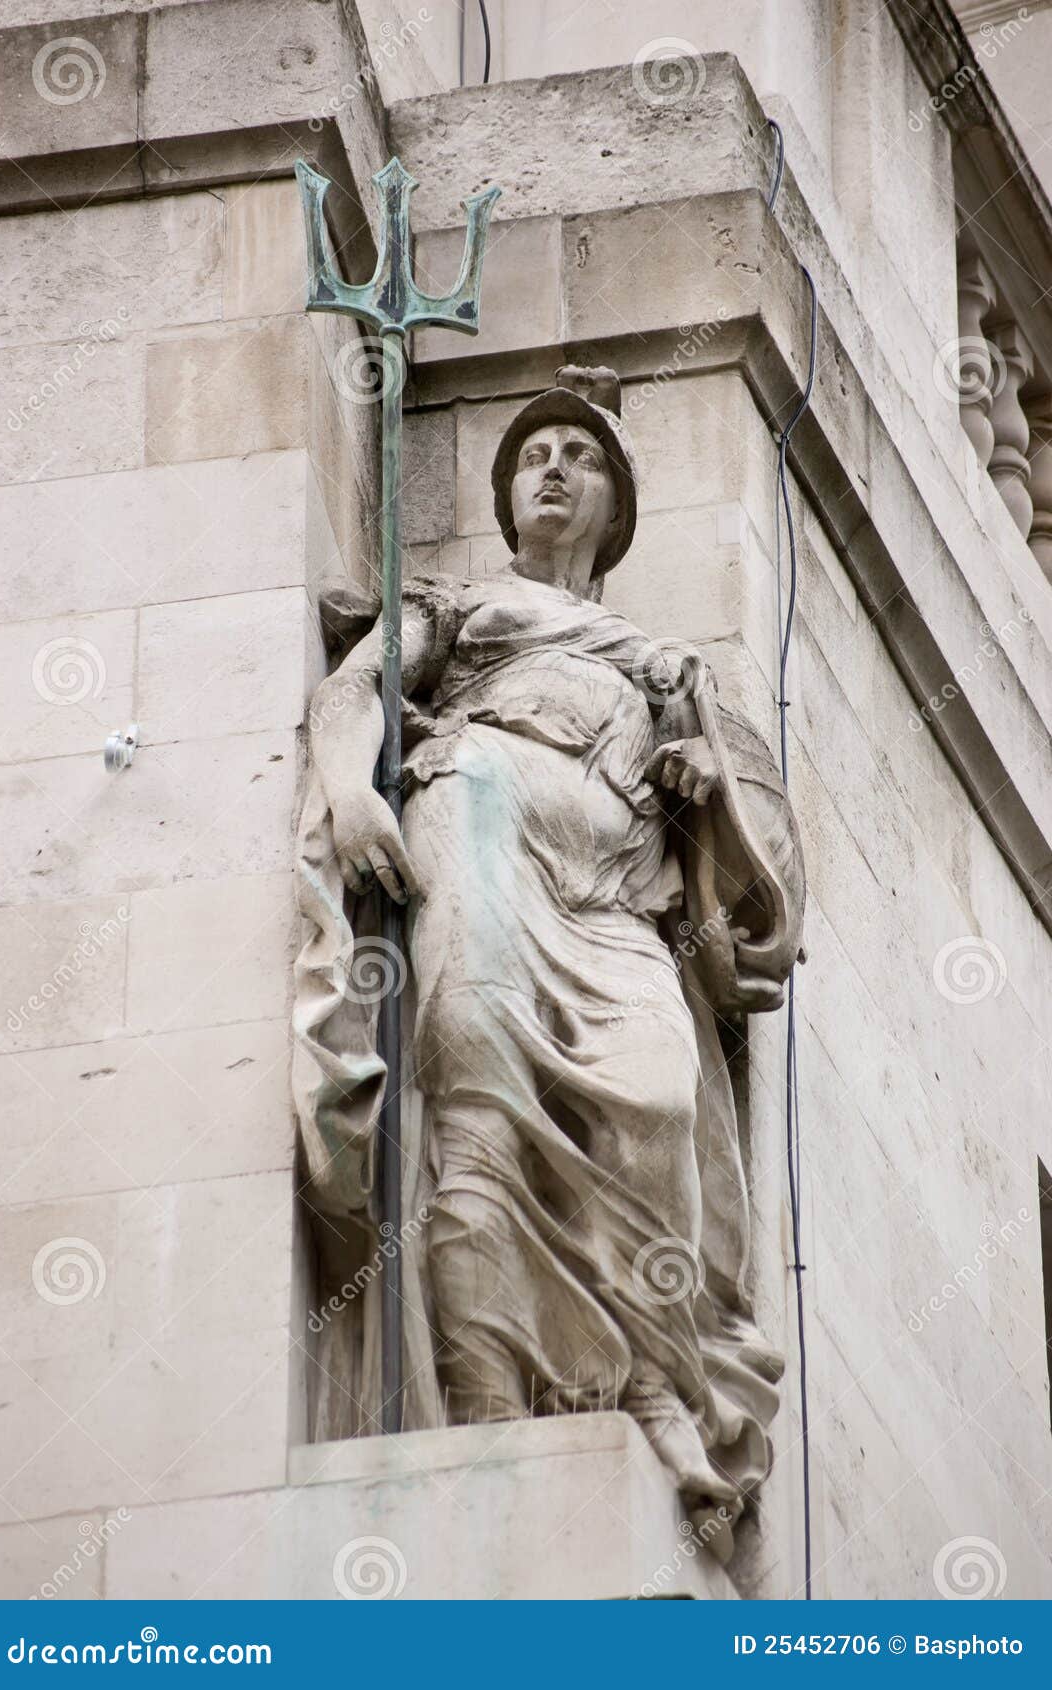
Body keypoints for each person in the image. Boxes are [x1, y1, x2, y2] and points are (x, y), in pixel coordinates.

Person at [294, 366, 804, 1549]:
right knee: (475, 1087)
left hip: (614, 893)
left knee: (659, 1107)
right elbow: (353, 689)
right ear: (508, 495)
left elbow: (762, 876)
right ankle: (488, 1406)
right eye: (533, 457)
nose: (554, 471)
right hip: (481, 817)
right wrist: (350, 792)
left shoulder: (666, 665)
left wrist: (703, 779)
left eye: (578, 457)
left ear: (615, 505)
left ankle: (651, 1379)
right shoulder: (462, 606)